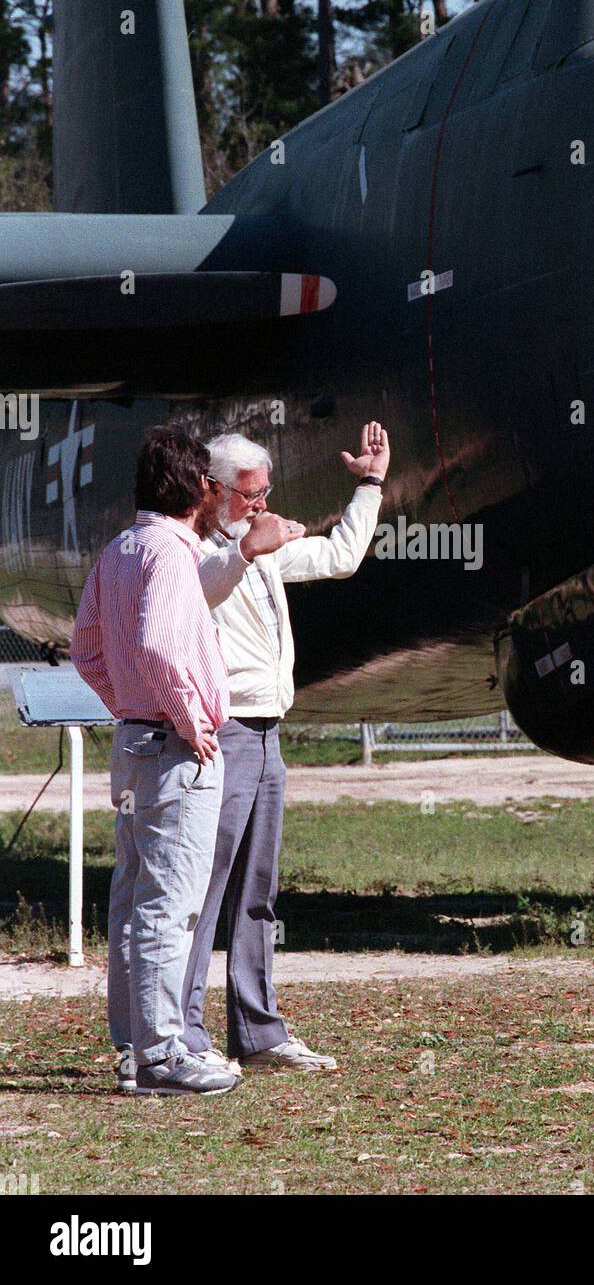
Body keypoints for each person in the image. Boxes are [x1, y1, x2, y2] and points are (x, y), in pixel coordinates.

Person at [181, 421, 390, 1071]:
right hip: (224, 733)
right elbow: (199, 590)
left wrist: (371, 486)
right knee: (200, 890)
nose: (262, 506)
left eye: (266, 493)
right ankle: (182, 1037)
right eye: (249, 495)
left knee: (257, 889)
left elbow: (340, 557)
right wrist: (248, 548)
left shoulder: (258, 541)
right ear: (210, 490)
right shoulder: (188, 550)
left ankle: (259, 1030)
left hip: (268, 733)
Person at [70, 424, 240, 1097]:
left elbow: (87, 647)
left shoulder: (118, 549)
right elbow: (161, 645)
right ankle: (164, 1054)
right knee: (171, 903)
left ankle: (133, 1045)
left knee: (132, 901)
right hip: (172, 746)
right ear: (196, 488)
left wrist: (128, 704)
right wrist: (186, 716)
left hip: (135, 741)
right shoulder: (171, 555)